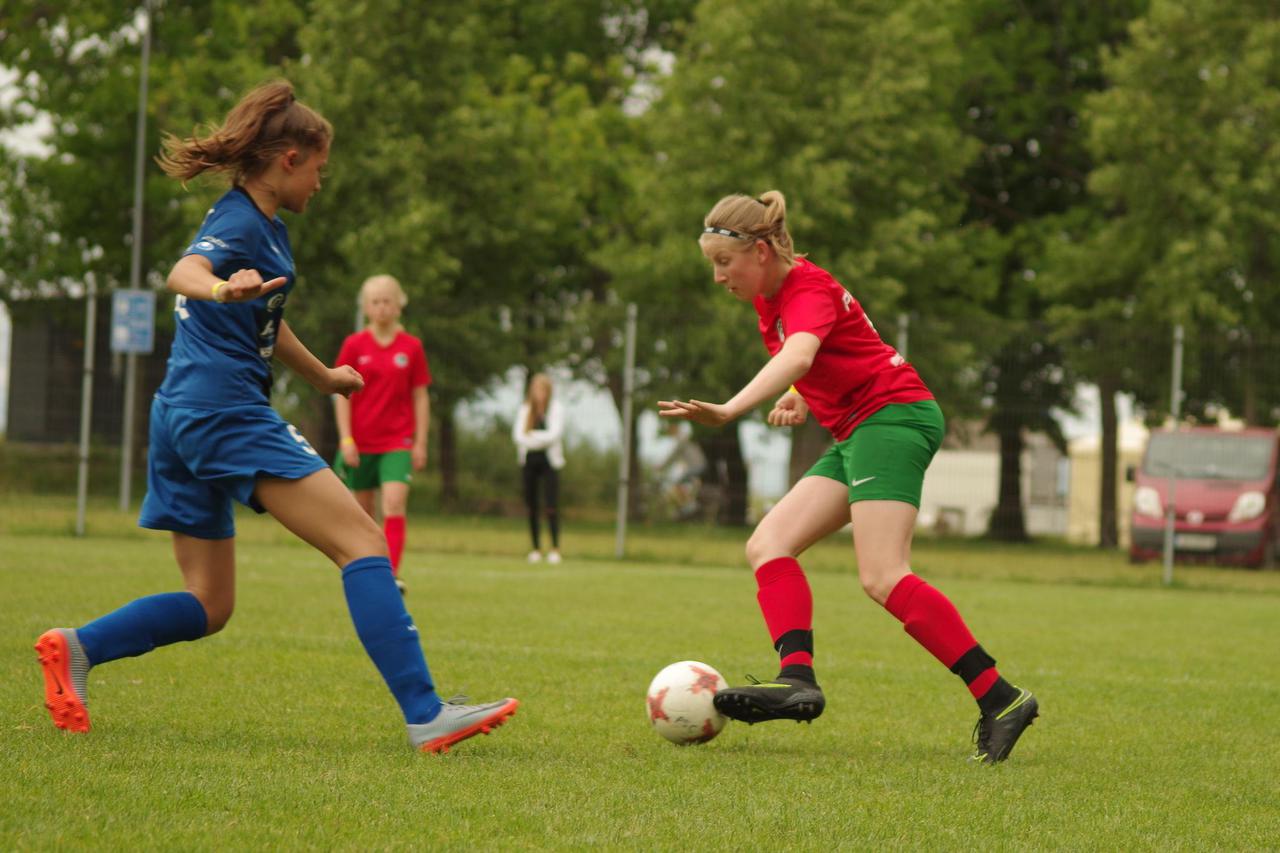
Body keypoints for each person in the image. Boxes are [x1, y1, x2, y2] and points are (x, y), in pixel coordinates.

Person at [32, 80, 517, 754]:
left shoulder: (262, 226)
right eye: (319, 167)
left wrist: (323, 377)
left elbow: (265, 317)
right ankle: (426, 713)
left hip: (180, 411)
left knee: (210, 602)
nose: (321, 181)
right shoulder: (238, 223)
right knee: (363, 542)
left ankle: (78, 647)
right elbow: (183, 272)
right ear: (289, 159)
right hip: (223, 410)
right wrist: (219, 286)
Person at [658, 191, 1038, 763]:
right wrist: (798, 393)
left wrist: (731, 408)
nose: (718, 276)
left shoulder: (805, 287)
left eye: (723, 262)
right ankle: (797, 680)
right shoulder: (771, 297)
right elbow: (823, 352)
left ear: (761, 252)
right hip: (859, 429)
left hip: (892, 420)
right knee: (768, 544)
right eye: (713, 264)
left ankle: (1000, 698)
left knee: (883, 575)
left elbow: (800, 354)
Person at [332, 274, 429, 595]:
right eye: (375, 302)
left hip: (397, 441)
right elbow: (340, 394)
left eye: (388, 301)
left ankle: (391, 574)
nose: (382, 307)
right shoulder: (354, 345)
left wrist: (420, 442)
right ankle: (368, 572)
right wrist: (346, 439)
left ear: (399, 305)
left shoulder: (412, 347)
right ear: (366, 307)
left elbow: (420, 396)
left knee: (394, 502)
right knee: (362, 513)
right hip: (360, 441)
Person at [512, 372, 565, 564]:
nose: (539, 393)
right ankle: (535, 548)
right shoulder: (525, 409)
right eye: (536, 389)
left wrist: (532, 436)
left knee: (551, 505)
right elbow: (518, 437)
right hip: (529, 461)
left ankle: (555, 548)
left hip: (549, 462)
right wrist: (538, 438)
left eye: (542, 390)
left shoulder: (556, 409)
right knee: (532, 505)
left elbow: (553, 435)